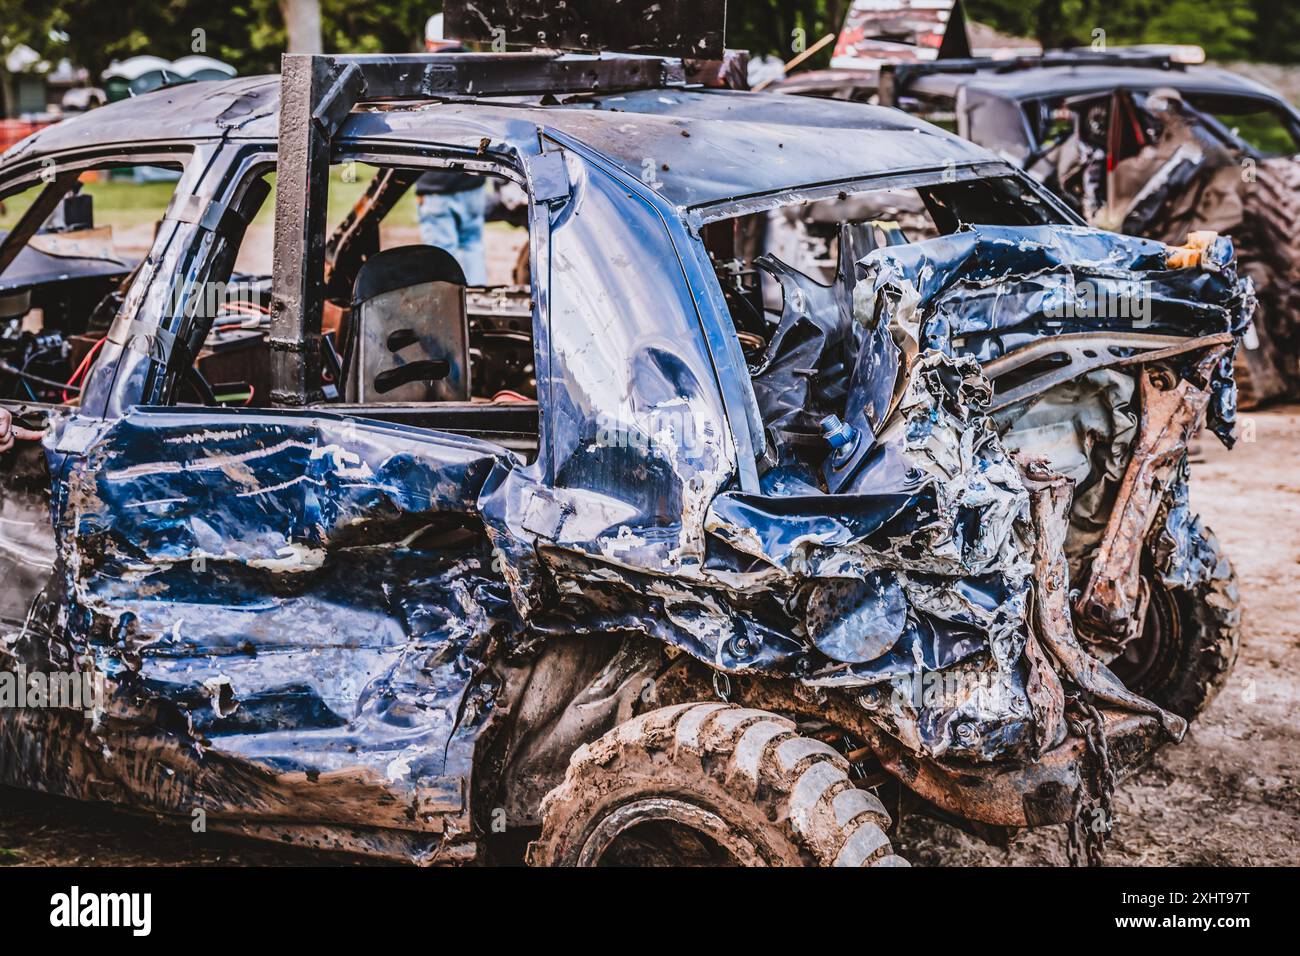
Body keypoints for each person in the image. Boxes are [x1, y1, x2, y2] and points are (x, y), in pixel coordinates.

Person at [415, 14, 487, 285]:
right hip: (473, 181)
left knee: (443, 258)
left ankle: (455, 314)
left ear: (428, 42)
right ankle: (478, 305)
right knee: (473, 248)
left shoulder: (420, 73)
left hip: (435, 186)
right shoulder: (478, 71)